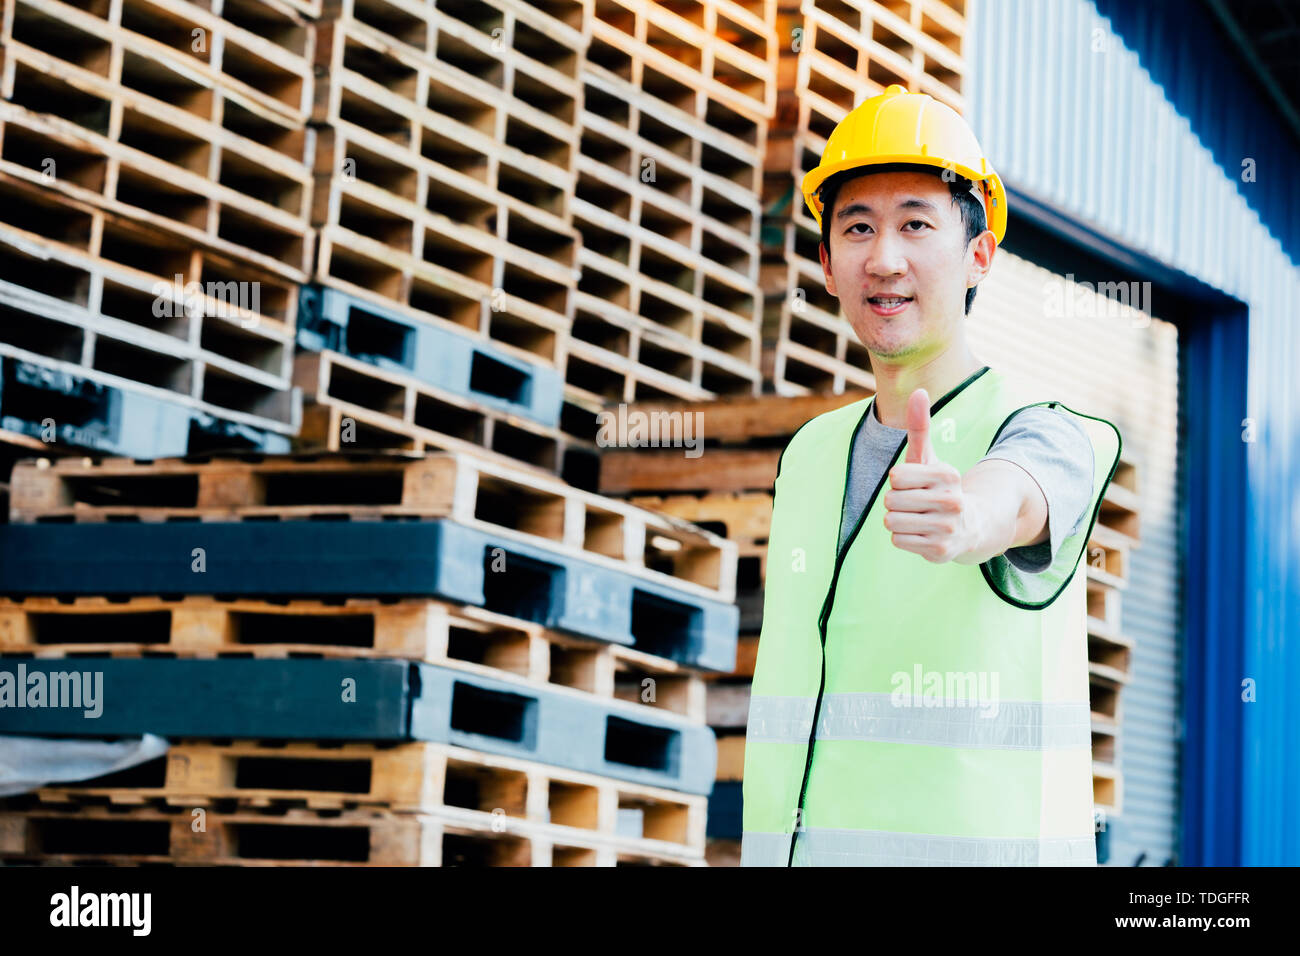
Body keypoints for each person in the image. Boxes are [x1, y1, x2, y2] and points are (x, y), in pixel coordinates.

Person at [741, 85, 1122, 867]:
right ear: (826, 263)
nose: (885, 258)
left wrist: (972, 517)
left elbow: (1016, 494)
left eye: (917, 223)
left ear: (979, 255)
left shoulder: (1043, 429)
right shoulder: (810, 455)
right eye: (857, 228)